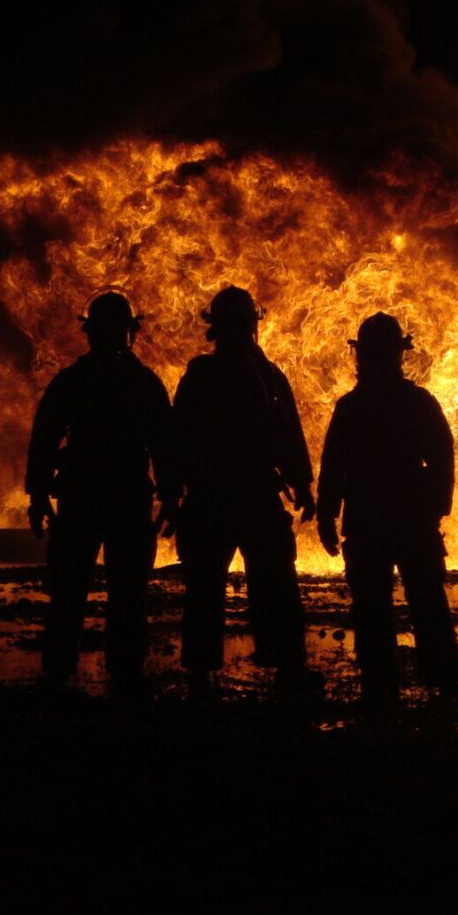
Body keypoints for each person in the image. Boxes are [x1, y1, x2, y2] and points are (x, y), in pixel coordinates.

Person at [170, 285, 320, 691]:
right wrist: (302, 487)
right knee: (271, 585)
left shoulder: (212, 374)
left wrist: (171, 495)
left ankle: (203, 672)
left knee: (208, 586)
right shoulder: (264, 376)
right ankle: (285, 667)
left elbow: (176, 439)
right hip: (246, 497)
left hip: (214, 500)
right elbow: (288, 435)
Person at [26, 291, 174, 692]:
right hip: (123, 498)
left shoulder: (73, 382)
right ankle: (124, 674)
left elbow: (44, 440)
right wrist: (171, 497)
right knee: (125, 593)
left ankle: (59, 674)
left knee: (71, 593)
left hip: (84, 497)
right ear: (131, 332)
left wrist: (38, 495)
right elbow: (164, 446)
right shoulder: (143, 384)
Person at [317, 312, 458, 699]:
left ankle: (381, 691)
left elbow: (333, 468)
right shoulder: (417, 403)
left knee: (374, 609)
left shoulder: (352, 407)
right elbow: (442, 458)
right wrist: (435, 507)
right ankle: (441, 688)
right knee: (426, 604)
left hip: (370, 520)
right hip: (409, 520)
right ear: (400, 354)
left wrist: (328, 515)